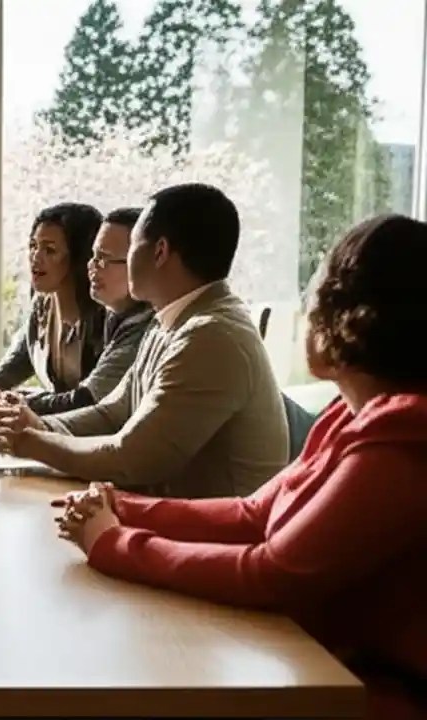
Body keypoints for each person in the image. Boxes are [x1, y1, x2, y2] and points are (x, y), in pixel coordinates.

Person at [55, 214, 427, 720]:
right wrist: (124, 507)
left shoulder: (401, 438)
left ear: (356, 312)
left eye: (321, 289)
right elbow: (254, 513)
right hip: (319, 660)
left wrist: (112, 543)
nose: (310, 309)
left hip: (367, 689)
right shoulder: (353, 413)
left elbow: (271, 572)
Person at [0, 183, 287, 498]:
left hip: (219, 535)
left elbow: (133, 459)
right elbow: (113, 412)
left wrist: (32, 442)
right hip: (175, 516)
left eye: (132, 248)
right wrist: (38, 427)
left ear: (160, 252)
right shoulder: (167, 321)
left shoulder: (211, 336)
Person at [0, 205, 153, 417]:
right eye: (33, 246)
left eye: (50, 250)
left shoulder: (112, 312)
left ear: (77, 257)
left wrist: (14, 404)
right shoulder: (42, 307)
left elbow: (89, 399)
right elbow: (9, 370)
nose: (36, 257)